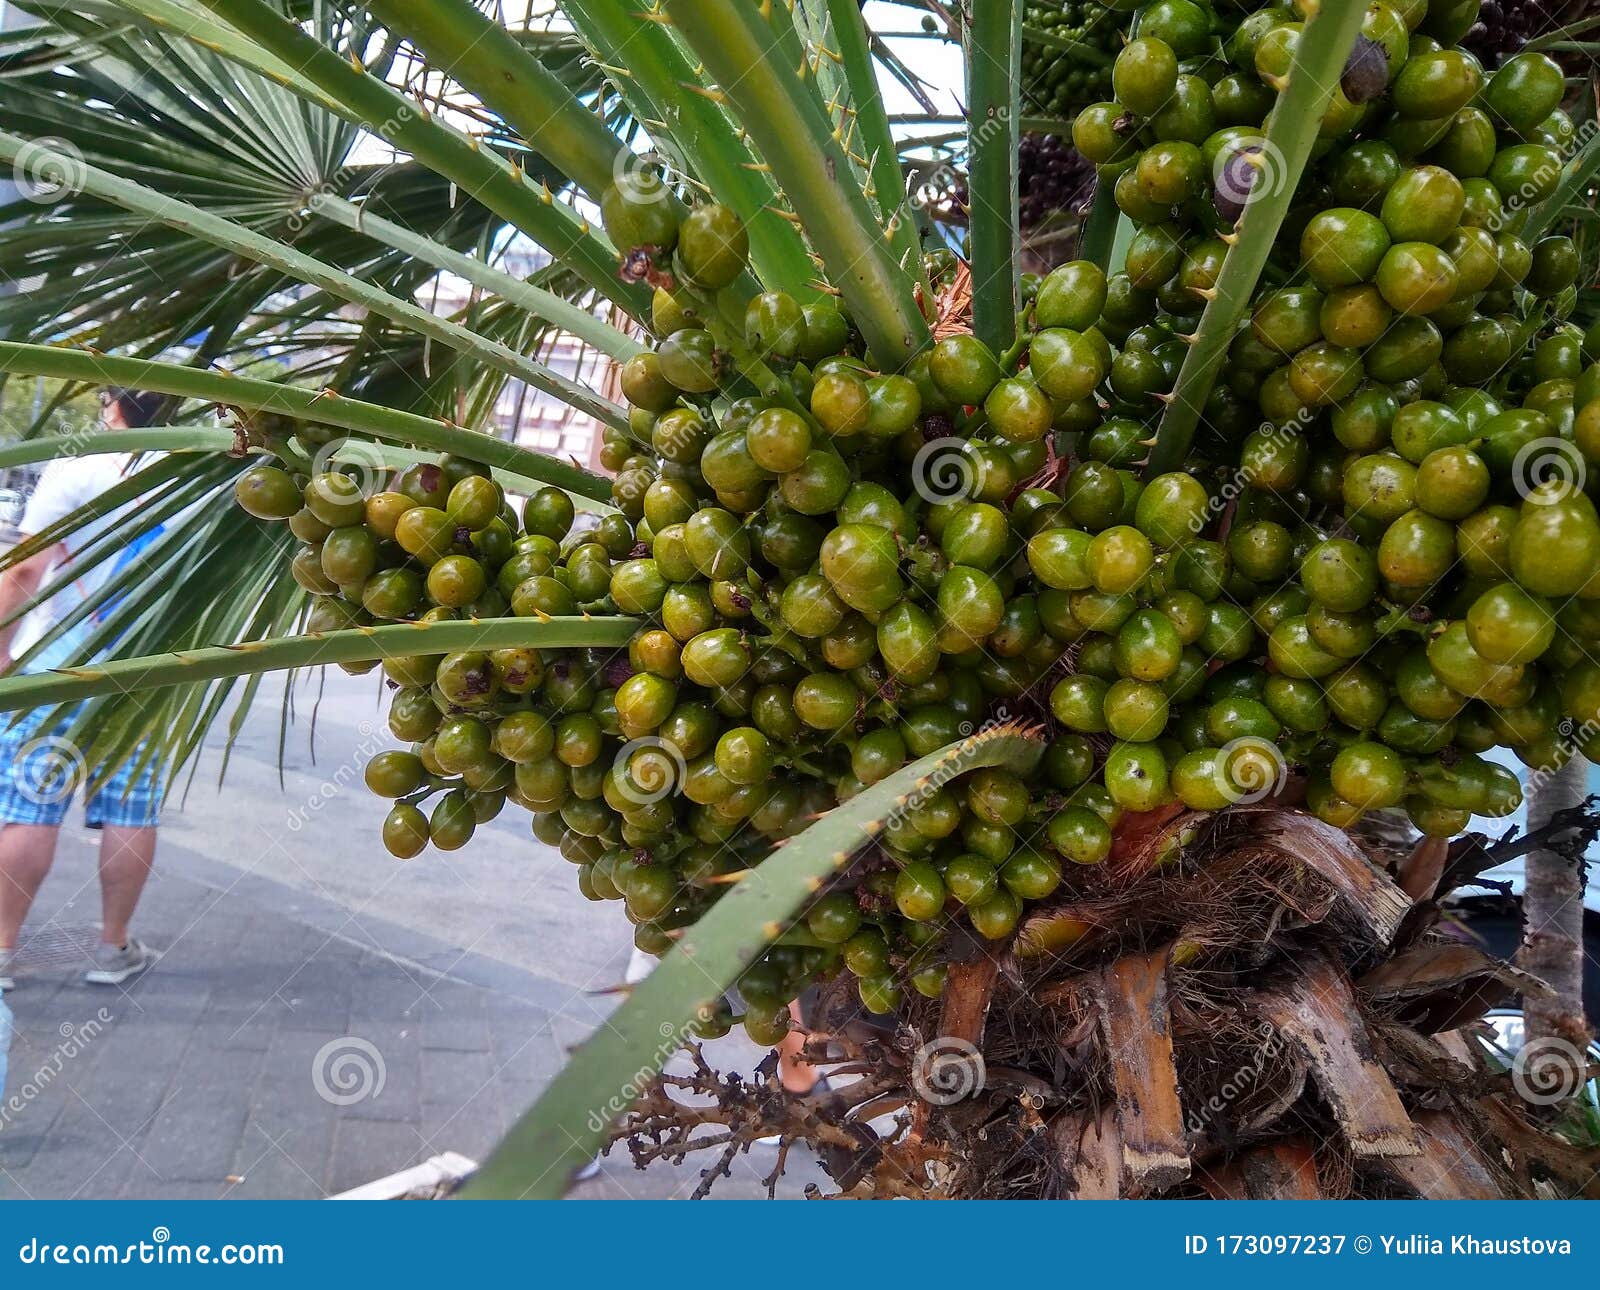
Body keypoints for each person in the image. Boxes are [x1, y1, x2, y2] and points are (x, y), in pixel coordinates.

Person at [0, 388, 169, 993]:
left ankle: (2, 952)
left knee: (28, 807)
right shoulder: (192, 478)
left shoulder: (76, 469)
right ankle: (111, 946)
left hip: (56, 666)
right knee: (130, 809)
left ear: (112, 406)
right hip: (149, 671)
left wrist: (1, 649)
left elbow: (24, 570)